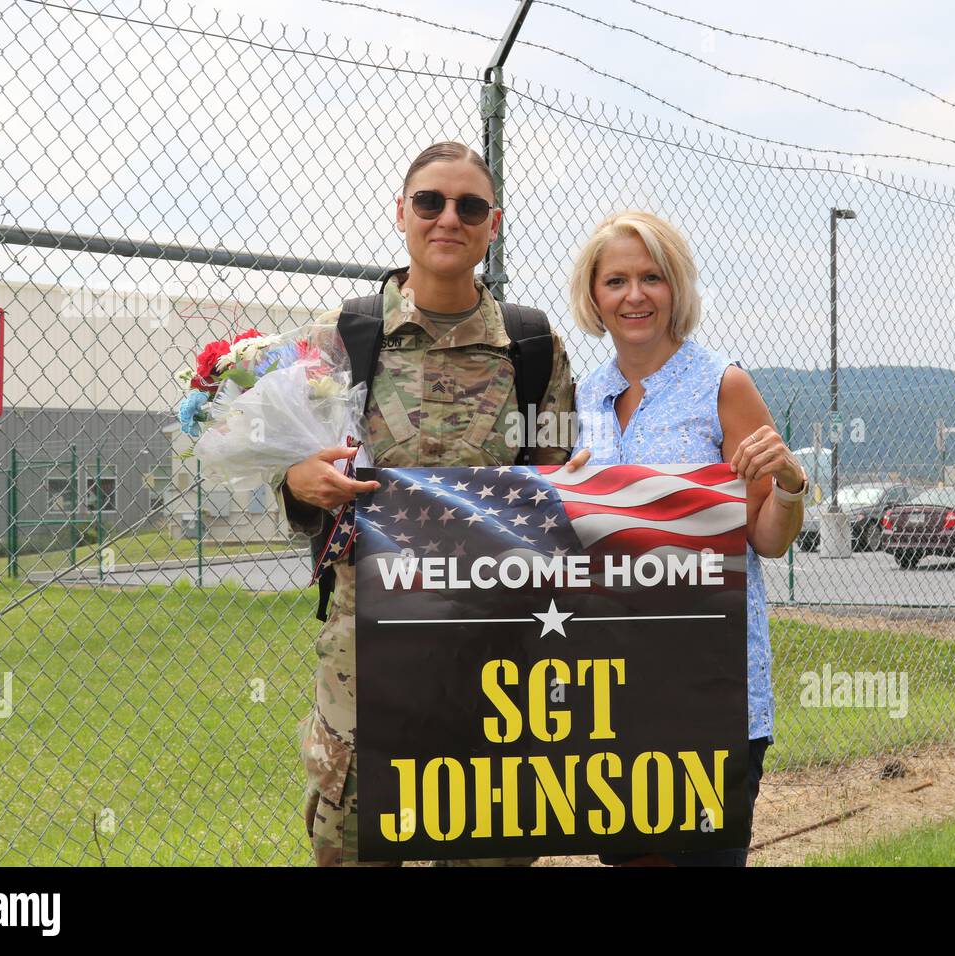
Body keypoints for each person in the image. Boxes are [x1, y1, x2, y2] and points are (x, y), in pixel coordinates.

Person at [277, 142, 576, 867]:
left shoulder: (533, 348)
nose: (449, 218)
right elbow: (294, 471)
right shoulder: (342, 339)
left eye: (469, 206)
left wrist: (575, 491)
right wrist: (298, 481)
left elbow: (557, 496)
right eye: (430, 202)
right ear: (402, 213)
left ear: (493, 223)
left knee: (490, 848)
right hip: (367, 658)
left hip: (494, 661)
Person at [566, 209, 806, 866]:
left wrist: (789, 486)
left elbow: (768, 539)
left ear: (677, 288)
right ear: (594, 295)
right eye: (615, 280)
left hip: (709, 687)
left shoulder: (722, 384)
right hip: (613, 688)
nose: (634, 295)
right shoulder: (586, 396)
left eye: (652, 277)